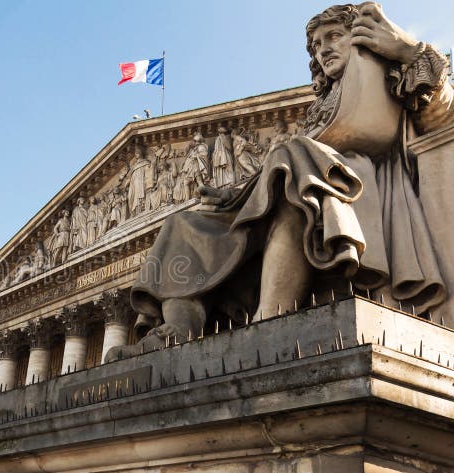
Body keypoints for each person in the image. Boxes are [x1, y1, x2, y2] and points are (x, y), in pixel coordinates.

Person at [110, 3, 454, 359]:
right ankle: (179, 330)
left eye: (334, 36)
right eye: (317, 45)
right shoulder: (320, 107)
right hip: (297, 182)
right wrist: (232, 193)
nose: (324, 49)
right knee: (183, 223)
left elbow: (442, 112)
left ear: (363, 39)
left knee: (293, 163)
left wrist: (409, 51)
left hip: (359, 188)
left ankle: (270, 319)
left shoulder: (390, 71)